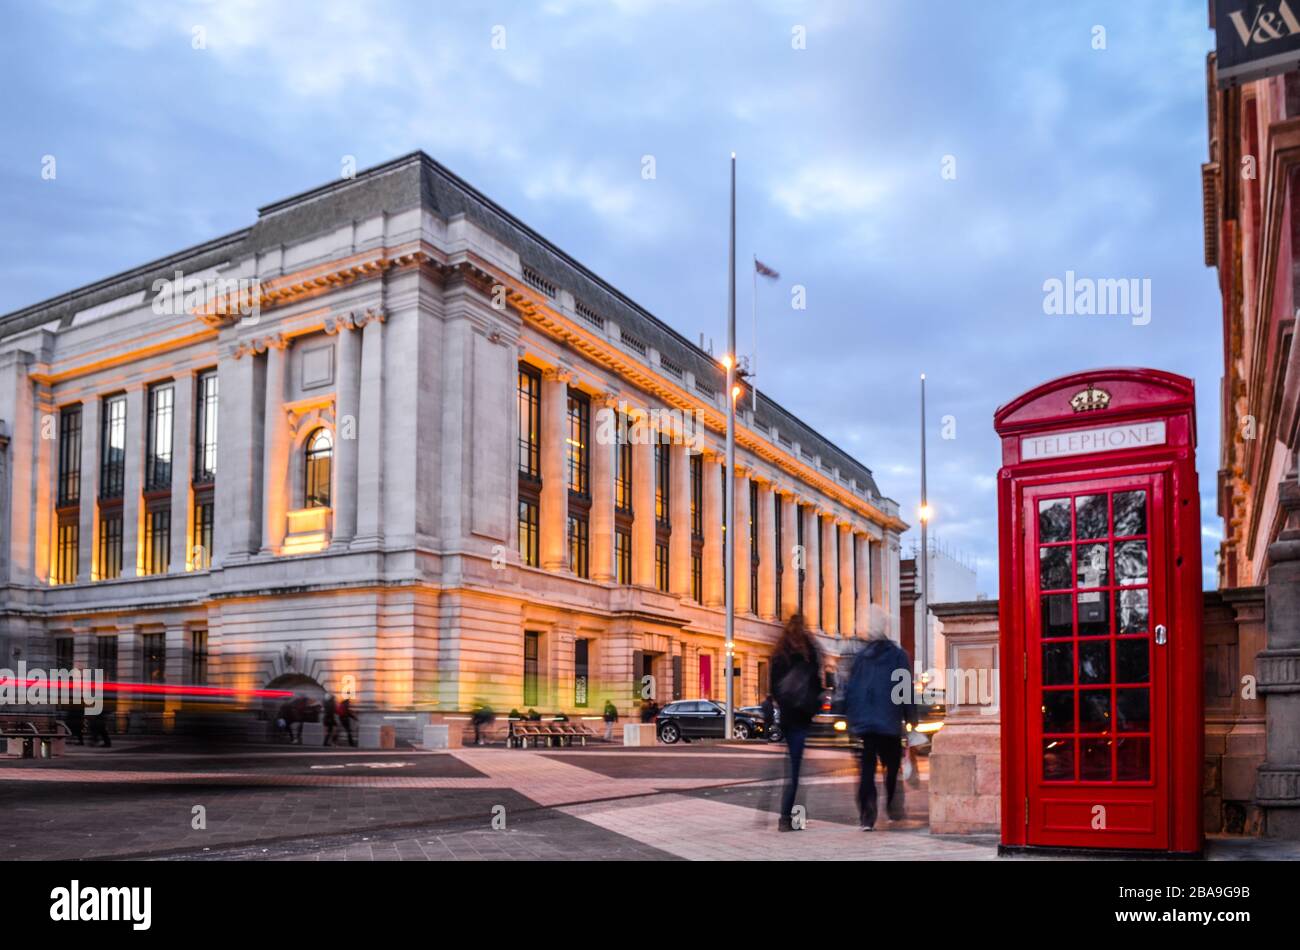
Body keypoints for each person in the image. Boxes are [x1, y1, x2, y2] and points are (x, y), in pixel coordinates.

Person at [843, 621, 917, 831]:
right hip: (889, 721)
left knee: (867, 770)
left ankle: (867, 816)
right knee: (892, 768)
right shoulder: (897, 655)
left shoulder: (860, 658)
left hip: (866, 724)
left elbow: (851, 690)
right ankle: (894, 806)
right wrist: (911, 719)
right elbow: (904, 689)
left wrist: (851, 720)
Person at [770, 614, 822, 832]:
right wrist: (812, 708)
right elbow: (818, 685)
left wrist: (783, 706)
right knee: (795, 771)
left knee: (792, 768)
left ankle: (792, 816)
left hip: (788, 718)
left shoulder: (780, 653)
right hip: (801, 717)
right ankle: (788, 818)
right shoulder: (808, 651)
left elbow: (773, 688)